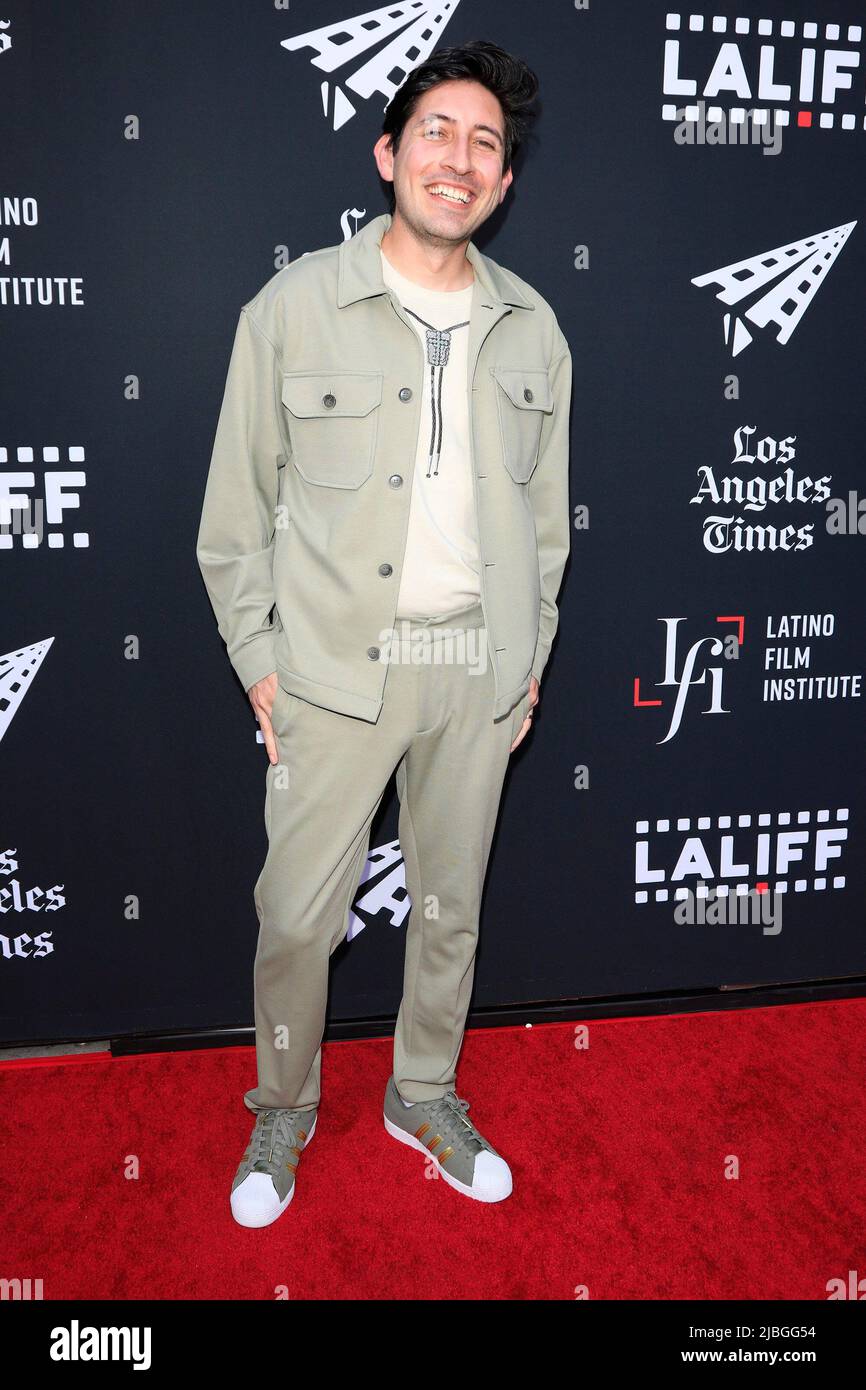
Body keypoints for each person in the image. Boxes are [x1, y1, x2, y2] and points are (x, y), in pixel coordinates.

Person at [196, 39, 572, 1228]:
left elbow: (545, 527)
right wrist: (260, 664)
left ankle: (422, 1091)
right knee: (298, 913)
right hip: (328, 673)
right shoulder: (292, 306)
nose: (458, 161)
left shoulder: (536, 333)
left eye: (484, 146)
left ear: (503, 181)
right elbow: (232, 516)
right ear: (387, 154)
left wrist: (524, 664)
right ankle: (282, 1108)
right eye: (436, 134)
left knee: (451, 905)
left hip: (472, 668)